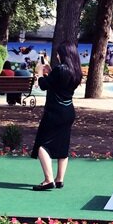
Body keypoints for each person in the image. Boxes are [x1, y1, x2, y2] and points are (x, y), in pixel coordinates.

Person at [32, 42, 82, 191]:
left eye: (59, 53)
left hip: (54, 112)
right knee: (63, 144)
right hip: (68, 111)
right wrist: (50, 70)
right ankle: (59, 179)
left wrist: (40, 72)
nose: (58, 56)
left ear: (64, 55)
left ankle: (48, 180)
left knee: (41, 144)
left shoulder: (60, 69)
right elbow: (59, 83)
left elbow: (44, 85)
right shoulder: (75, 71)